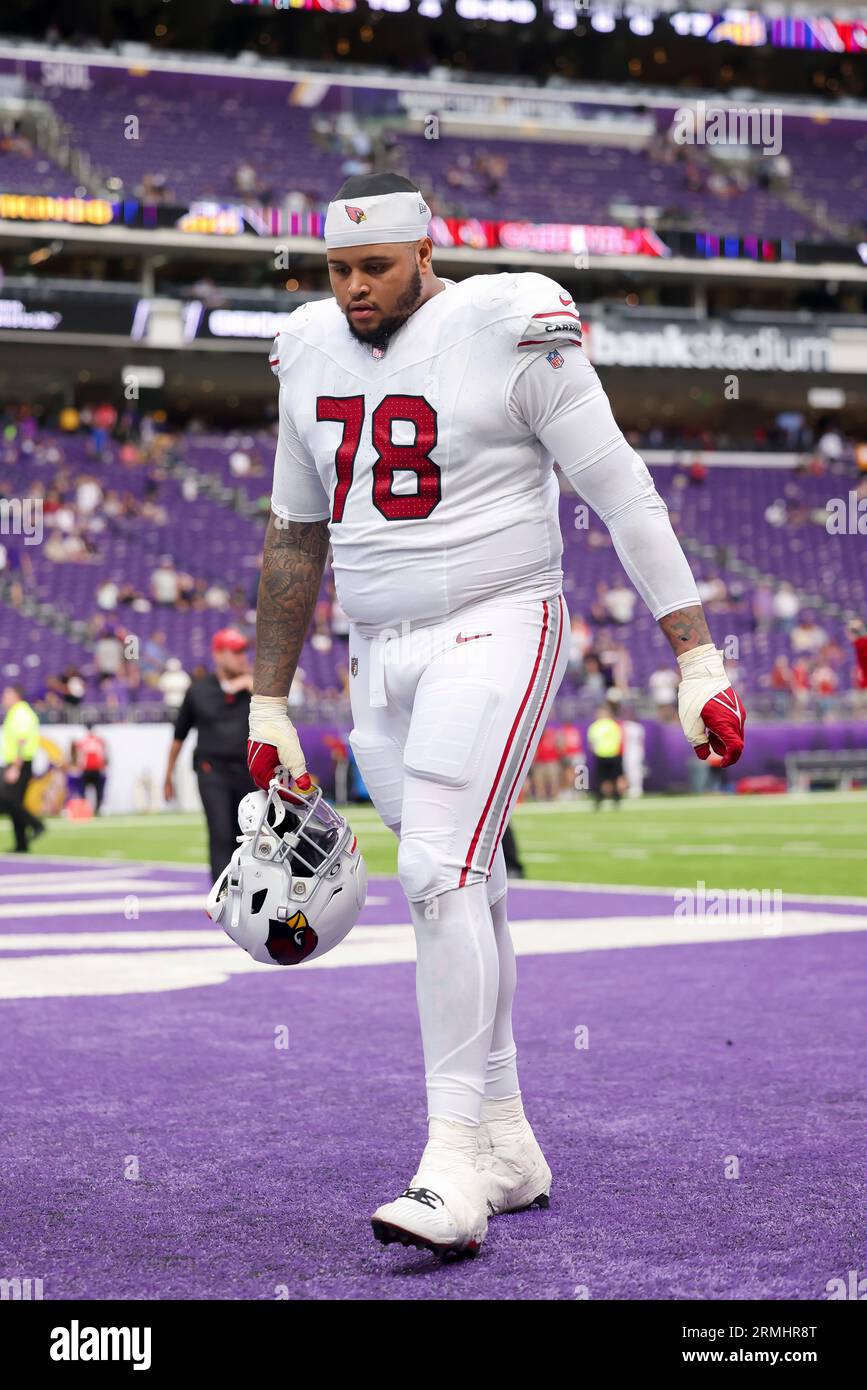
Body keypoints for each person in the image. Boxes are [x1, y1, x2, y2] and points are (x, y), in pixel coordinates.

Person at [245, 171, 746, 1258]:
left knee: (437, 871)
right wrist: (269, 696)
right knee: (466, 883)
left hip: (499, 619)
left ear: (429, 252)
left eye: (374, 266)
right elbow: (294, 532)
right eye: (337, 268)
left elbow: (621, 489)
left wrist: (697, 654)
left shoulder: (512, 320)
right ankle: (511, 1141)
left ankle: (453, 1161)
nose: (353, 287)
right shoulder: (307, 344)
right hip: (377, 655)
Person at [164, 629, 256, 883]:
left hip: (248, 771)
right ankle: (223, 894)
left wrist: (254, 687)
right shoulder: (199, 691)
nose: (241, 657)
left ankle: (249, 890)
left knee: (249, 835)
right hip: (211, 769)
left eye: (242, 651)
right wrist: (168, 776)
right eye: (234, 652)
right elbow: (178, 737)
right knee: (221, 831)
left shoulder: (255, 687)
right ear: (218, 655)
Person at [0, 684, 45, 851]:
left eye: (7, 694)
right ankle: (21, 844)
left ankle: (36, 824)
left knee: (8, 800)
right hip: (15, 762)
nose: (3, 698)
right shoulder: (15, 713)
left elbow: (22, 739)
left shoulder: (21, 713)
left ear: (16, 696)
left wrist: (15, 767)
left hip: (20, 763)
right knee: (13, 802)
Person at [587, 704, 626, 809]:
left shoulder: (613, 725)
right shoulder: (596, 726)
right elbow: (591, 742)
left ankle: (615, 798)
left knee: (615, 778)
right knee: (604, 779)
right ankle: (601, 798)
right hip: (602, 756)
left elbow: (619, 740)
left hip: (613, 755)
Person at [73, 722, 108, 814]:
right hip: (94, 769)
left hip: (88, 769)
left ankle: (87, 809)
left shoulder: (83, 741)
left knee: (84, 790)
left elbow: (78, 754)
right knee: (97, 790)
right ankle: (96, 809)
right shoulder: (99, 741)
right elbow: (104, 754)